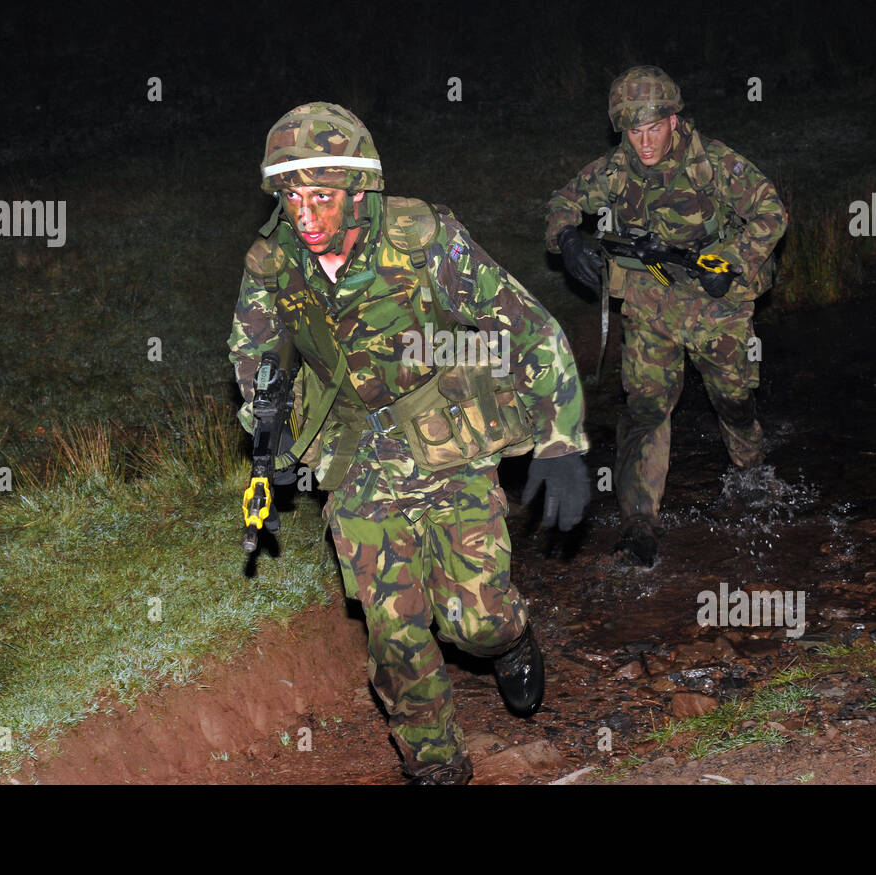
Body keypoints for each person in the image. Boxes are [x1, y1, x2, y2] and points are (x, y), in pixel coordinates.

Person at [228, 103, 591, 784]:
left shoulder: (421, 238)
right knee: (396, 632)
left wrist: (560, 439)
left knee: (475, 621)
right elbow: (253, 357)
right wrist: (266, 437)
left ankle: (512, 639)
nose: (304, 214)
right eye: (291, 196)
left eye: (321, 197)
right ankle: (438, 766)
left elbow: (528, 325)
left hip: (447, 435)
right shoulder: (274, 261)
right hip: (357, 456)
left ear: (360, 192)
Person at [545, 66, 786, 566]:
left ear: (674, 120)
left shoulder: (714, 164)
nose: (645, 141)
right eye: (634, 130)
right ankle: (639, 522)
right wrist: (567, 238)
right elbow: (564, 199)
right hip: (652, 305)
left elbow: (772, 212)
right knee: (647, 409)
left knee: (735, 399)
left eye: (654, 127)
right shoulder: (615, 170)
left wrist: (734, 260)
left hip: (717, 306)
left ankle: (750, 470)